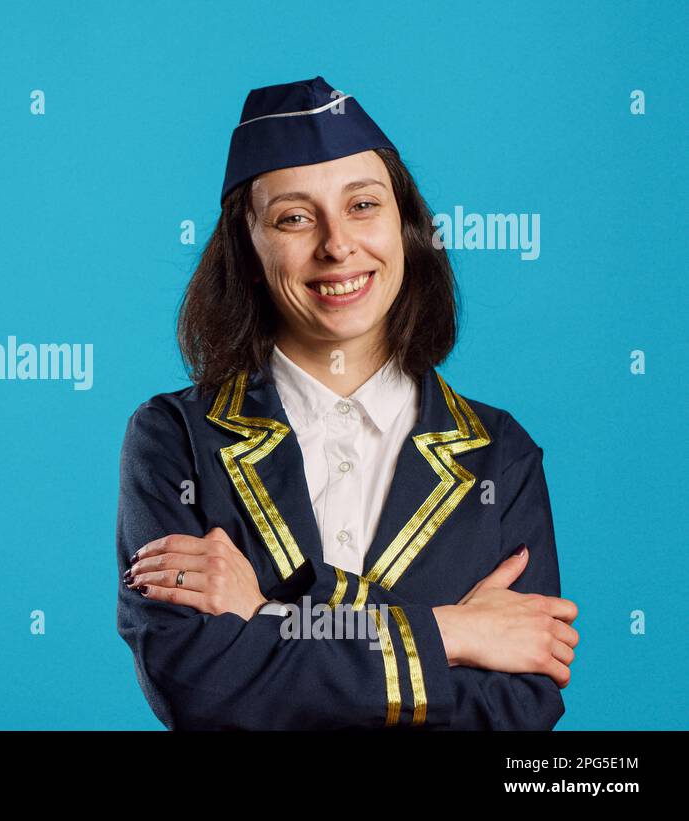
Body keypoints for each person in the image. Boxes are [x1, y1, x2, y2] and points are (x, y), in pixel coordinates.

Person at [114, 76, 579, 730]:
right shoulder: (176, 438)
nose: (337, 245)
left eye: (363, 205)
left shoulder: (499, 453)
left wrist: (269, 619)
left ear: (406, 228)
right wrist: (453, 632)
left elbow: (519, 707)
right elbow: (198, 684)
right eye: (295, 217)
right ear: (247, 248)